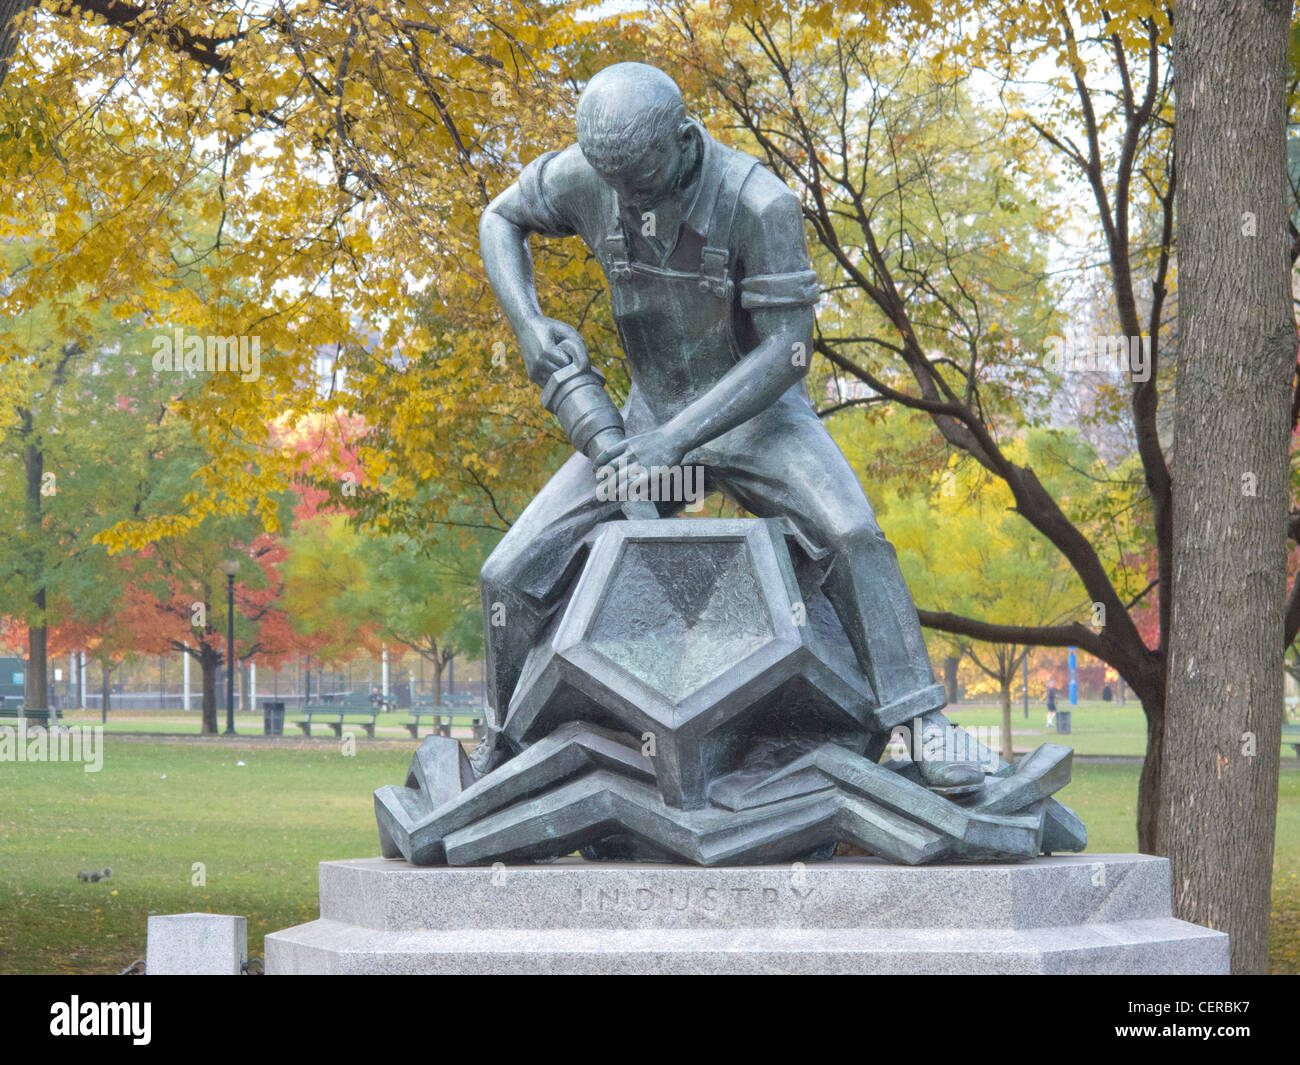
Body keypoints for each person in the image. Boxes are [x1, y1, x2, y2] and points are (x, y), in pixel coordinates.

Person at [477, 62, 977, 790]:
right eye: (613, 185)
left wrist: (676, 443)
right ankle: (500, 738)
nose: (624, 202)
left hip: (757, 421)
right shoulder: (594, 174)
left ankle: (919, 719)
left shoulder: (759, 204)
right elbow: (501, 217)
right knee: (507, 573)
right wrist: (528, 324)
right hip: (643, 421)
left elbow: (788, 352)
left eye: (640, 184)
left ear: (684, 140)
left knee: (852, 535)